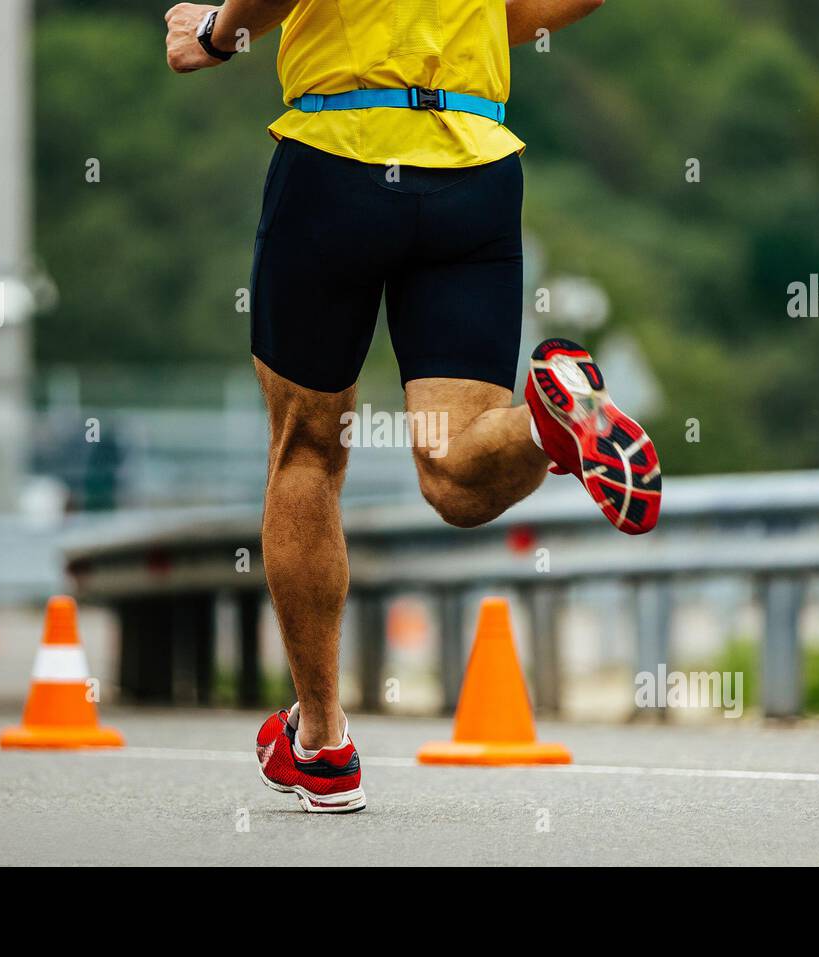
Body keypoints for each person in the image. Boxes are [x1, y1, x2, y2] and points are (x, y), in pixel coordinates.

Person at [164, 0, 660, 813]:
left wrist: (219, 32)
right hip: (475, 164)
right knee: (456, 475)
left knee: (306, 451)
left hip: (338, 156)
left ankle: (321, 739)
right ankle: (549, 418)